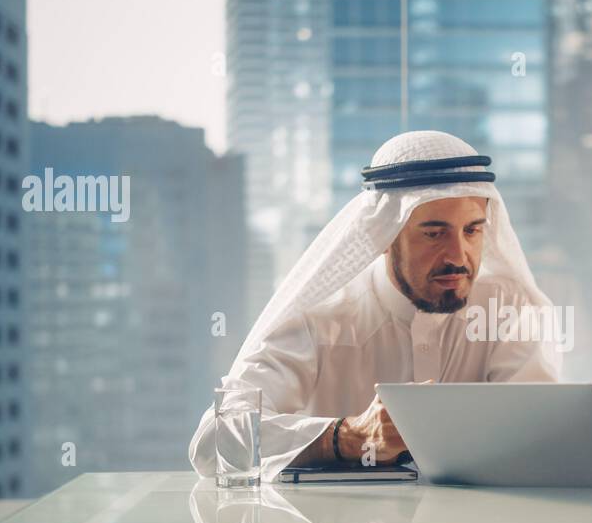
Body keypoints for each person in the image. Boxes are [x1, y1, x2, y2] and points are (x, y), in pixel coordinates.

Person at [190, 131, 559, 482]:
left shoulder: (508, 308)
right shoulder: (320, 315)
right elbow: (213, 443)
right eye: (434, 234)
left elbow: (542, 439)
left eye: (472, 231)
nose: (457, 256)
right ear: (382, 235)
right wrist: (347, 436)